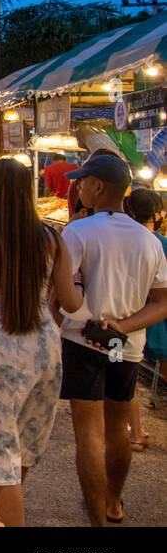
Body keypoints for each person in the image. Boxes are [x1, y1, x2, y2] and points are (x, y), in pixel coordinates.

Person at [0, 158, 84, 526]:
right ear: (28, 193)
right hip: (43, 347)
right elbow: (72, 303)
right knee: (24, 443)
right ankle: (5, 511)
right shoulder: (52, 239)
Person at [59, 153, 167, 525]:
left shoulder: (77, 232)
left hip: (81, 340)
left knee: (89, 432)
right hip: (125, 346)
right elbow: (162, 303)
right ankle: (113, 503)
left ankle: (97, 521)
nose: (79, 187)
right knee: (118, 425)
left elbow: (61, 296)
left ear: (99, 186)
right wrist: (123, 325)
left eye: (83, 181)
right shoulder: (149, 240)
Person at [122, 188, 165, 454]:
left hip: (129, 325)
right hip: (156, 319)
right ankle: (135, 430)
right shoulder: (159, 241)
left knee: (126, 378)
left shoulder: (129, 240)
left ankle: (135, 431)